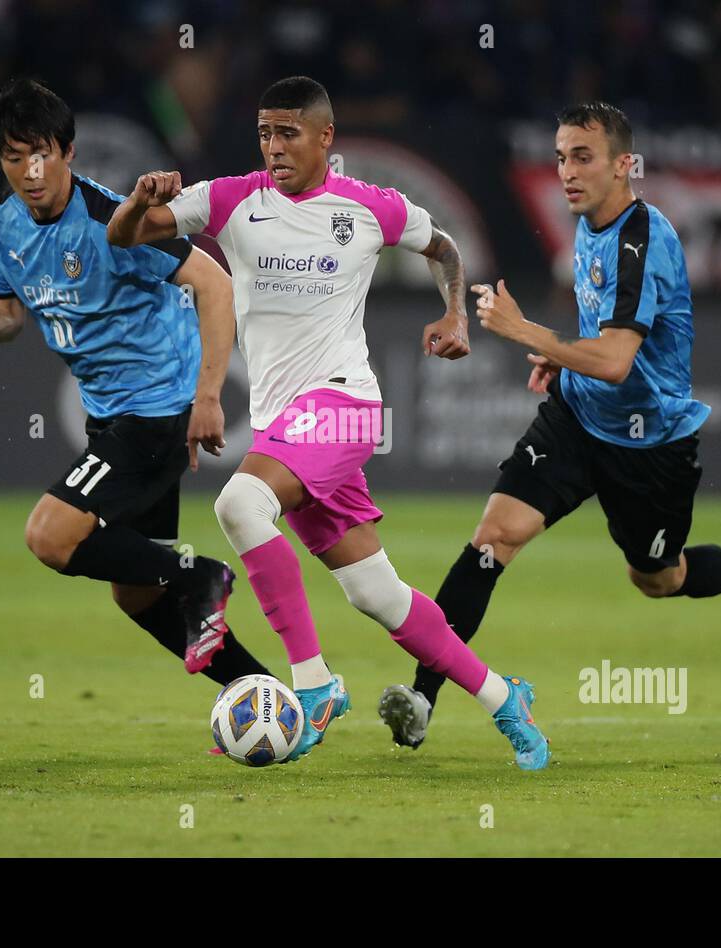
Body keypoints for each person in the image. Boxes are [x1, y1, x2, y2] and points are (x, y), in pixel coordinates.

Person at [107, 76, 550, 769]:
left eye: (288, 133)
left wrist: (456, 312)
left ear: (324, 138)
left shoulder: (367, 208)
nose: (274, 147)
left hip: (344, 407)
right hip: (289, 426)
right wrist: (139, 202)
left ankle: (313, 686)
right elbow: (126, 238)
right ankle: (504, 698)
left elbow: (444, 249)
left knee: (240, 503)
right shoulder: (229, 199)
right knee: (377, 593)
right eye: (264, 132)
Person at [380, 102, 721, 750]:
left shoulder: (644, 240)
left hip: (650, 444)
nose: (567, 172)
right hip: (577, 417)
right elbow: (599, 347)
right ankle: (421, 700)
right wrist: (557, 356)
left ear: (625, 165)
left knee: (659, 578)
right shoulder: (589, 223)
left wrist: (527, 333)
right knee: (493, 538)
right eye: (561, 157)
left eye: (583, 157)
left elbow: (618, 358)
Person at [0, 78, 276, 707]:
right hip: (109, 419)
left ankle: (203, 576)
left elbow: (215, 285)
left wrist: (208, 397)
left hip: (158, 412)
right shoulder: (1, 225)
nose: (30, 172)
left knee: (50, 537)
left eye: (42, 154)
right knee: (135, 591)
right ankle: (264, 693)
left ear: (68, 152)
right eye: (13, 157)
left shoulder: (115, 223)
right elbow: (6, 315)